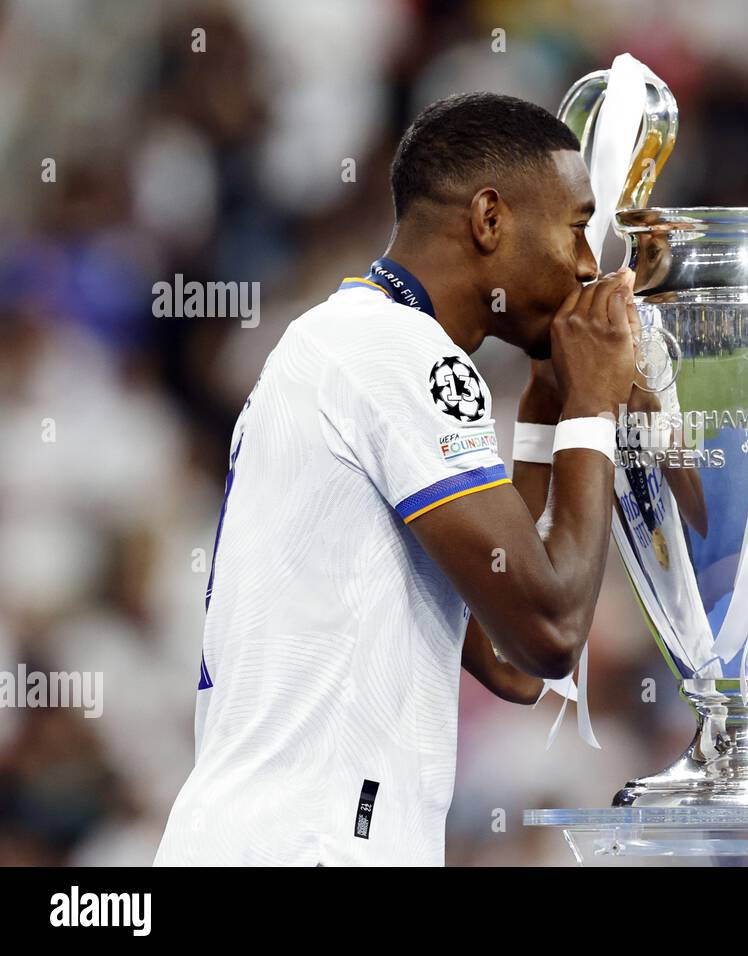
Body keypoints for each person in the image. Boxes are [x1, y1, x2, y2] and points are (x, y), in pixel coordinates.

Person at [155, 92, 638, 865]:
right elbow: (551, 631)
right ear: (489, 219)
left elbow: (513, 662)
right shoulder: (395, 351)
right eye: (578, 226)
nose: (588, 264)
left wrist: (551, 413)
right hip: (310, 844)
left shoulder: (347, 341)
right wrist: (594, 407)